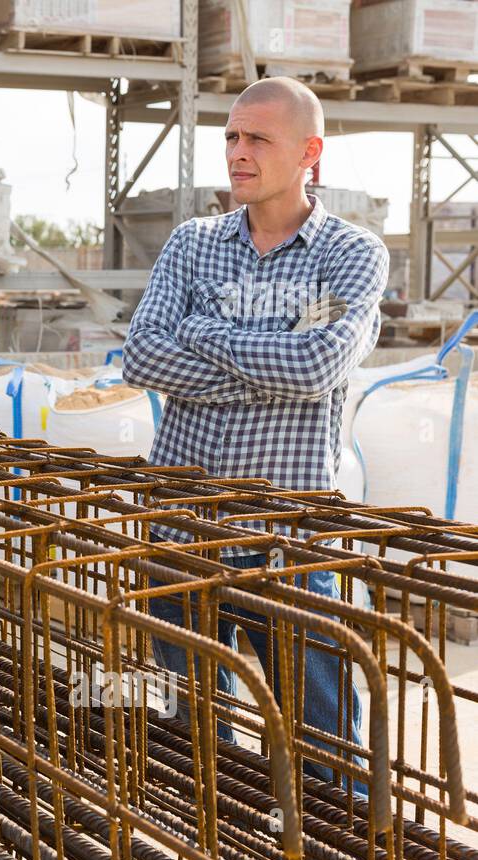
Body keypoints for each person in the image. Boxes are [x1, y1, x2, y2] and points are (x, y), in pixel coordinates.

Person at [121, 77, 389, 794]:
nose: (238, 153)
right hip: (180, 537)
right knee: (191, 754)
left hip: (289, 544)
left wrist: (204, 332)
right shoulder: (193, 244)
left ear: (310, 152)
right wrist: (264, 350)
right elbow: (141, 356)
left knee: (328, 761)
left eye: (257, 140)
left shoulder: (347, 255)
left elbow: (316, 365)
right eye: (232, 137)